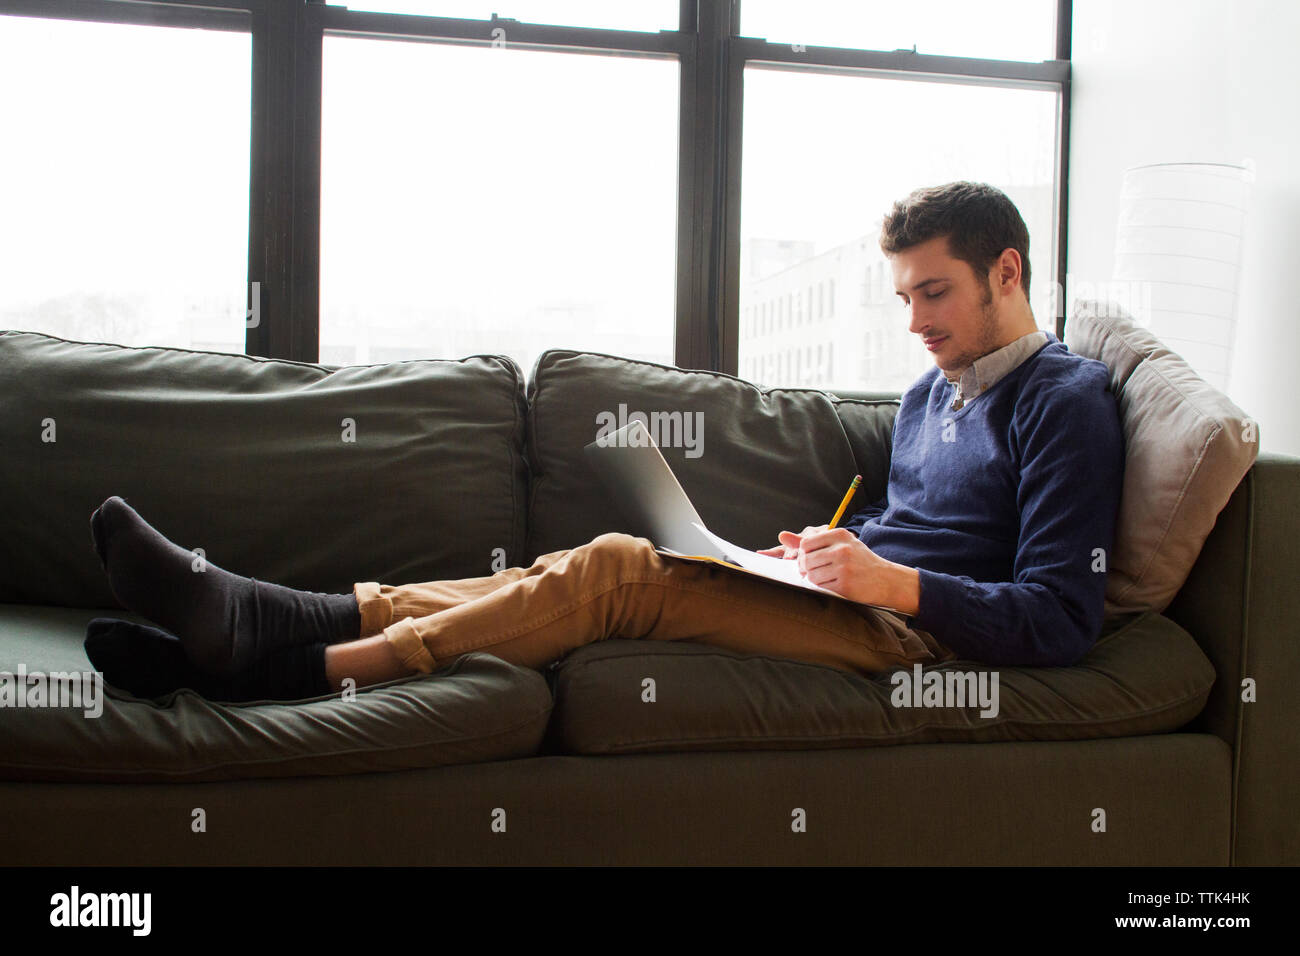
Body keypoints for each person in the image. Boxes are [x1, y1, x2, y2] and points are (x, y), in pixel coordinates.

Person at [83, 181, 1125, 702]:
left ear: (1008, 272)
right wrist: (822, 555)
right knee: (567, 565)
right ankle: (261, 611)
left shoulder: (1064, 401)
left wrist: (894, 587)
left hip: (926, 644)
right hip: (863, 602)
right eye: (901, 296)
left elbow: (1063, 616)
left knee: (620, 570)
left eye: (933, 292)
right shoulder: (921, 396)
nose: (914, 322)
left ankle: (287, 667)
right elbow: (914, 526)